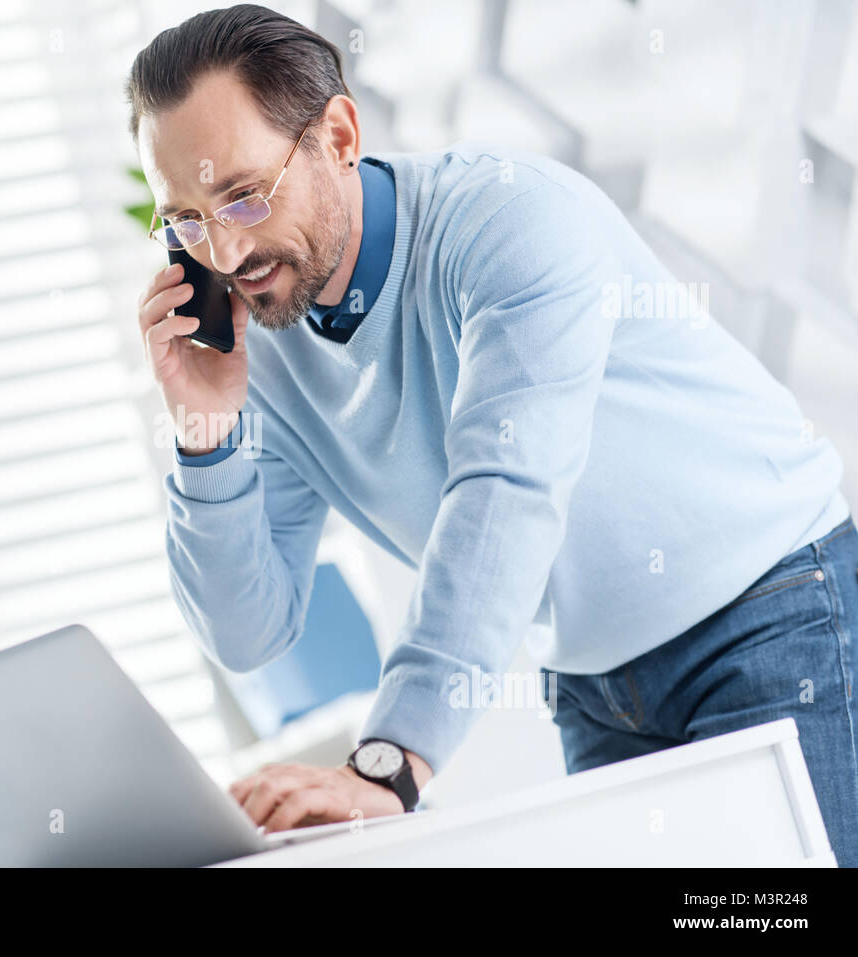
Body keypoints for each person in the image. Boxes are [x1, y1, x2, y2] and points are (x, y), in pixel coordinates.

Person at [126, 4, 856, 864]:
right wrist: (205, 434)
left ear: (341, 135)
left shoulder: (508, 222)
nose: (221, 253)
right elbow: (251, 633)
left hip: (768, 612)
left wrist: (388, 765)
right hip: (593, 684)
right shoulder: (267, 348)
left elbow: (503, 493)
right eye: (183, 219)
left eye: (242, 196)